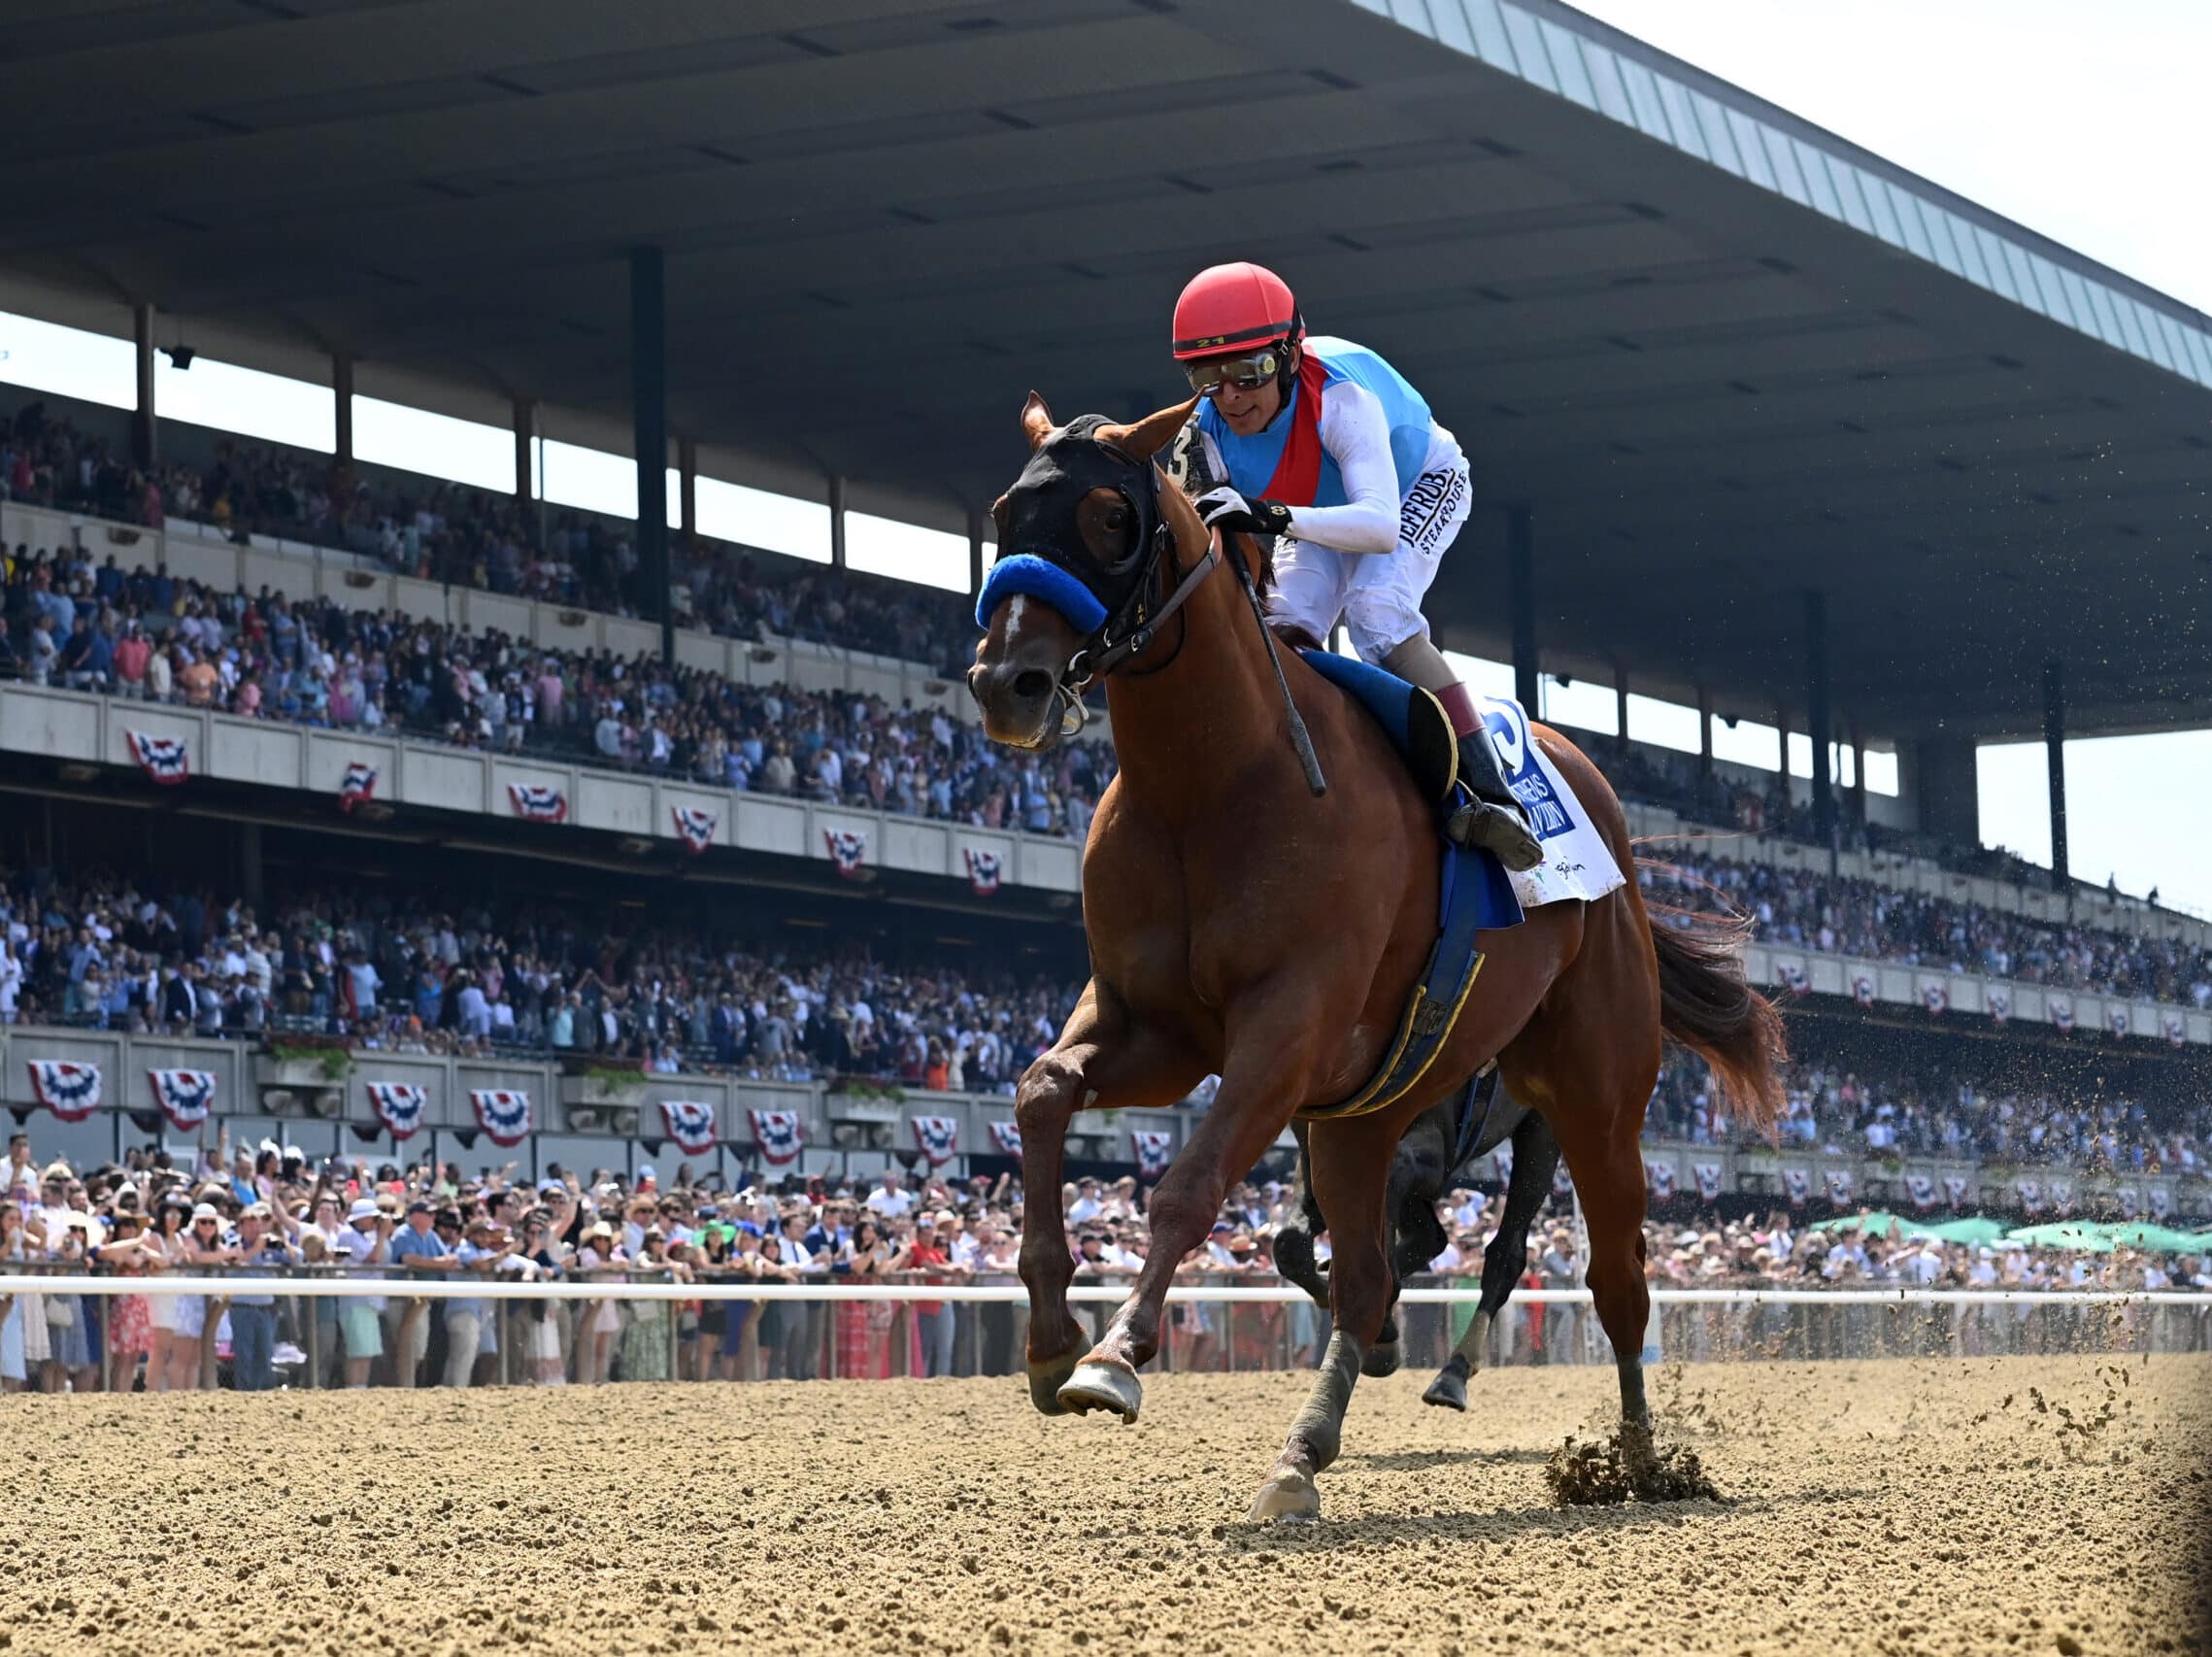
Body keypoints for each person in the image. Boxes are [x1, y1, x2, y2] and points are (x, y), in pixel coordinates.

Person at [1167, 261, 1541, 869]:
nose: (1230, 396)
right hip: (1316, 506)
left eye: (1247, 371)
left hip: (1416, 485)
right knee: (1281, 633)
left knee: (1378, 613)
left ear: (1289, 357)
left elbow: (1378, 526)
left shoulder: (1339, 399)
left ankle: (1495, 798)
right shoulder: (1203, 431)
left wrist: (1268, 516)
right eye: (1207, 375)